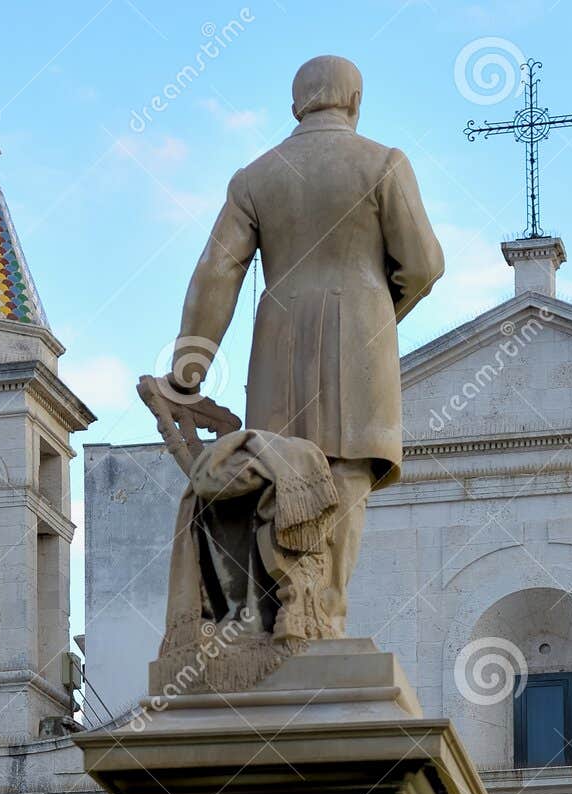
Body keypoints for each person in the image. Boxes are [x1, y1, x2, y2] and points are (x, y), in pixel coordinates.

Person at [166, 54, 444, 619]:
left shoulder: (255, 177)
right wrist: (384, 310)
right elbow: (423, 265)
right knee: (344, 471)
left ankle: (277, 611)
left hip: (278, 337)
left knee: (281, 472)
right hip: (362, 334)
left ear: (296, 105)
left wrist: (190, 364)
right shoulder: (383, 163)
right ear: (355, 103)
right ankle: (325, 611)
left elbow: (217, 272)